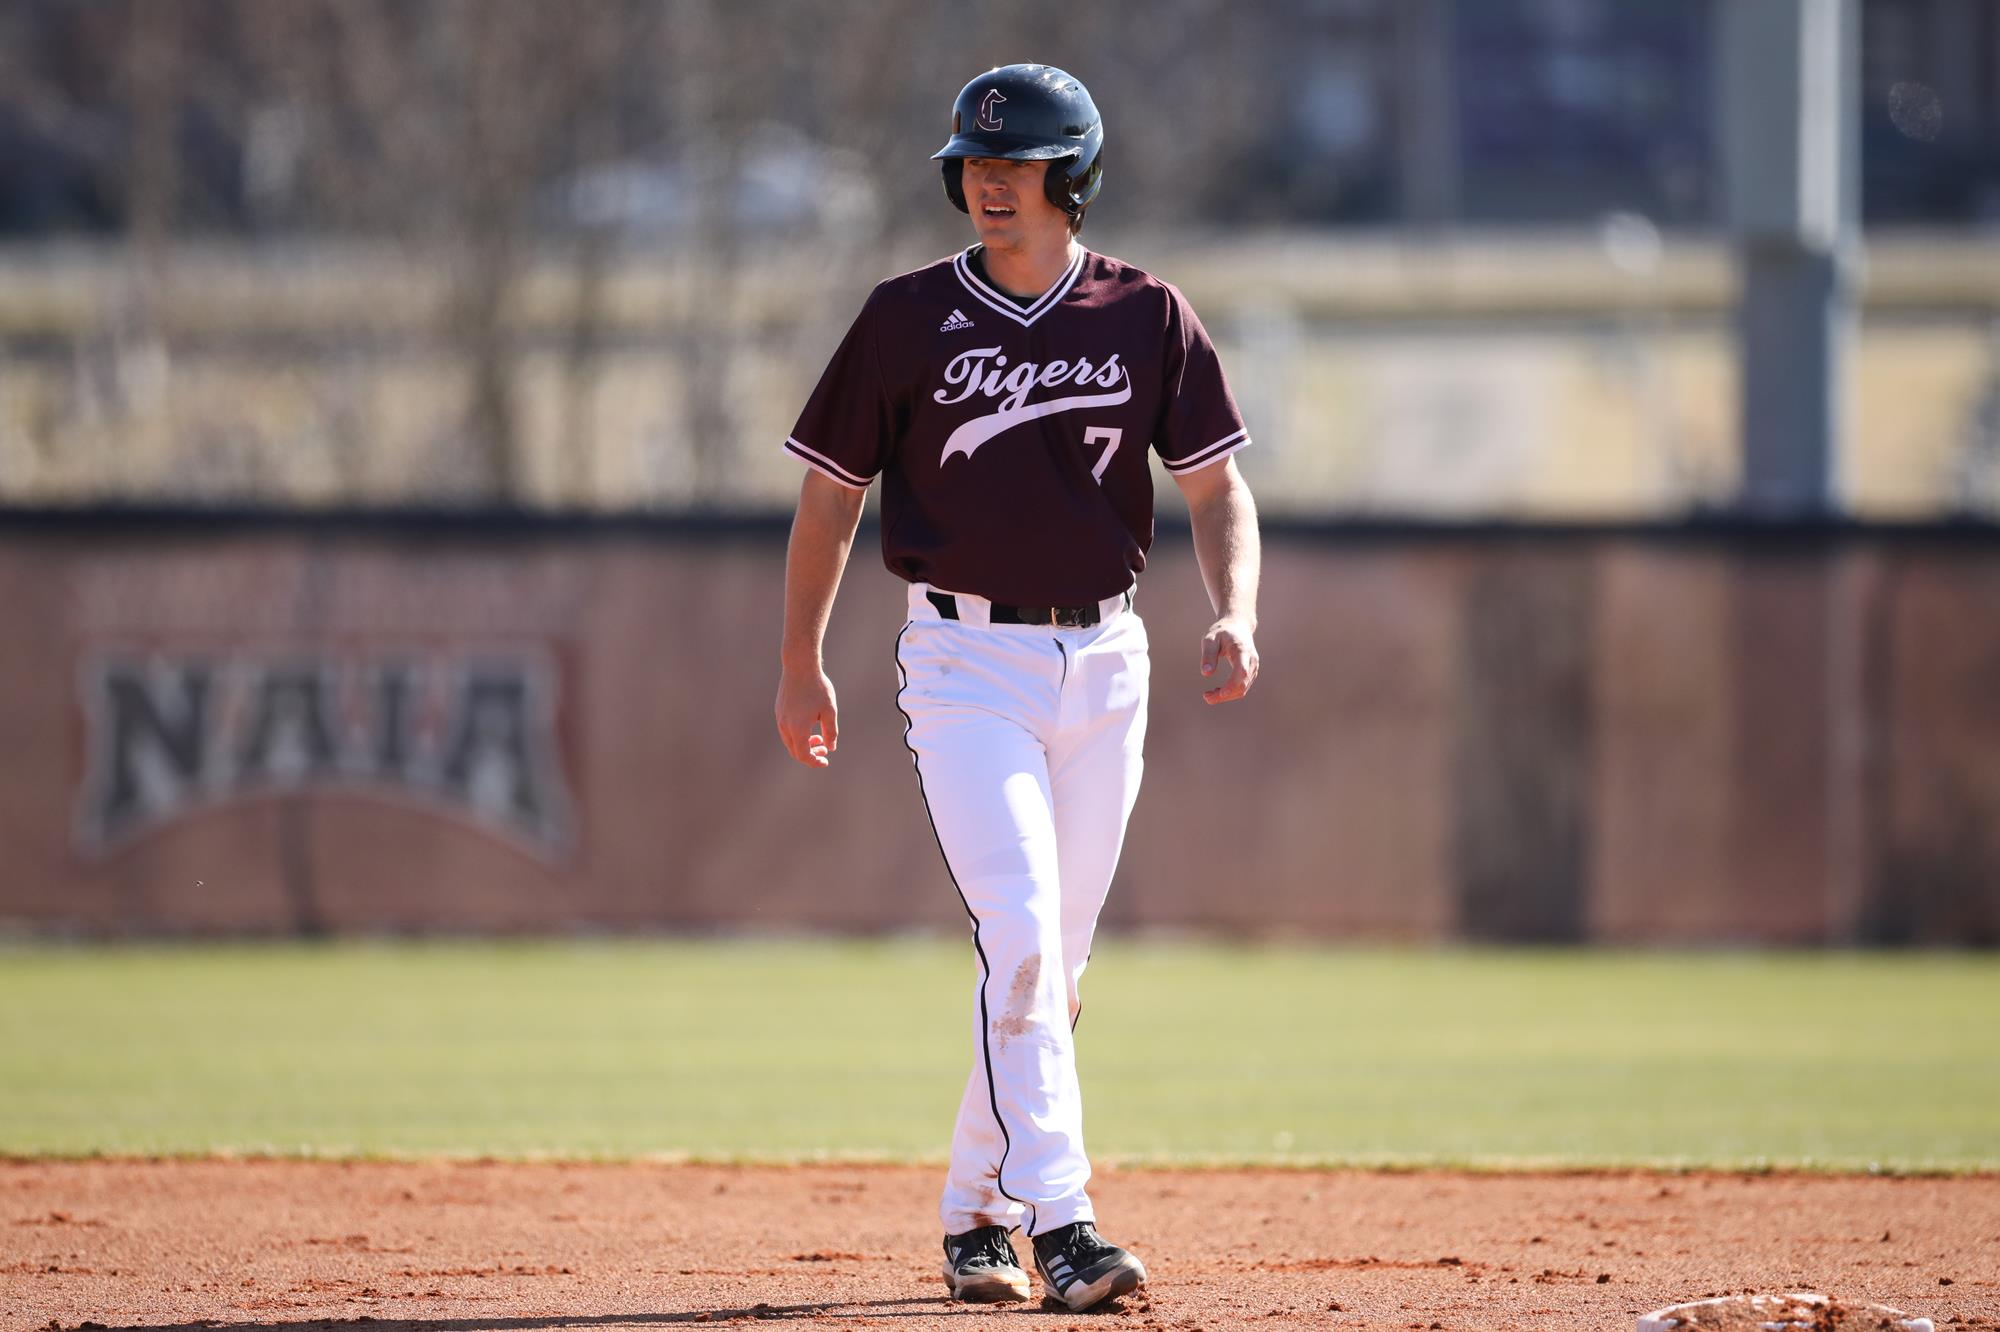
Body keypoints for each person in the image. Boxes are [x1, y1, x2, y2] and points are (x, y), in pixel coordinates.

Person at [772, 63, 1261, 1314]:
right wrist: (798, 659)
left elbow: (1215, 486)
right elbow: (829, 497)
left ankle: (971, 1219)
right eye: (976, 163)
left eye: (1020, 163)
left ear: (1073, 176)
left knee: (1049, 969)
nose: (991, 182)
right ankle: (1065, 1226)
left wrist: (1235, 609)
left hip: (1105, 662)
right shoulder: (904, 317)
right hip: (963, 661)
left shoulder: (1145, 313)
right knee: (1025, 940)